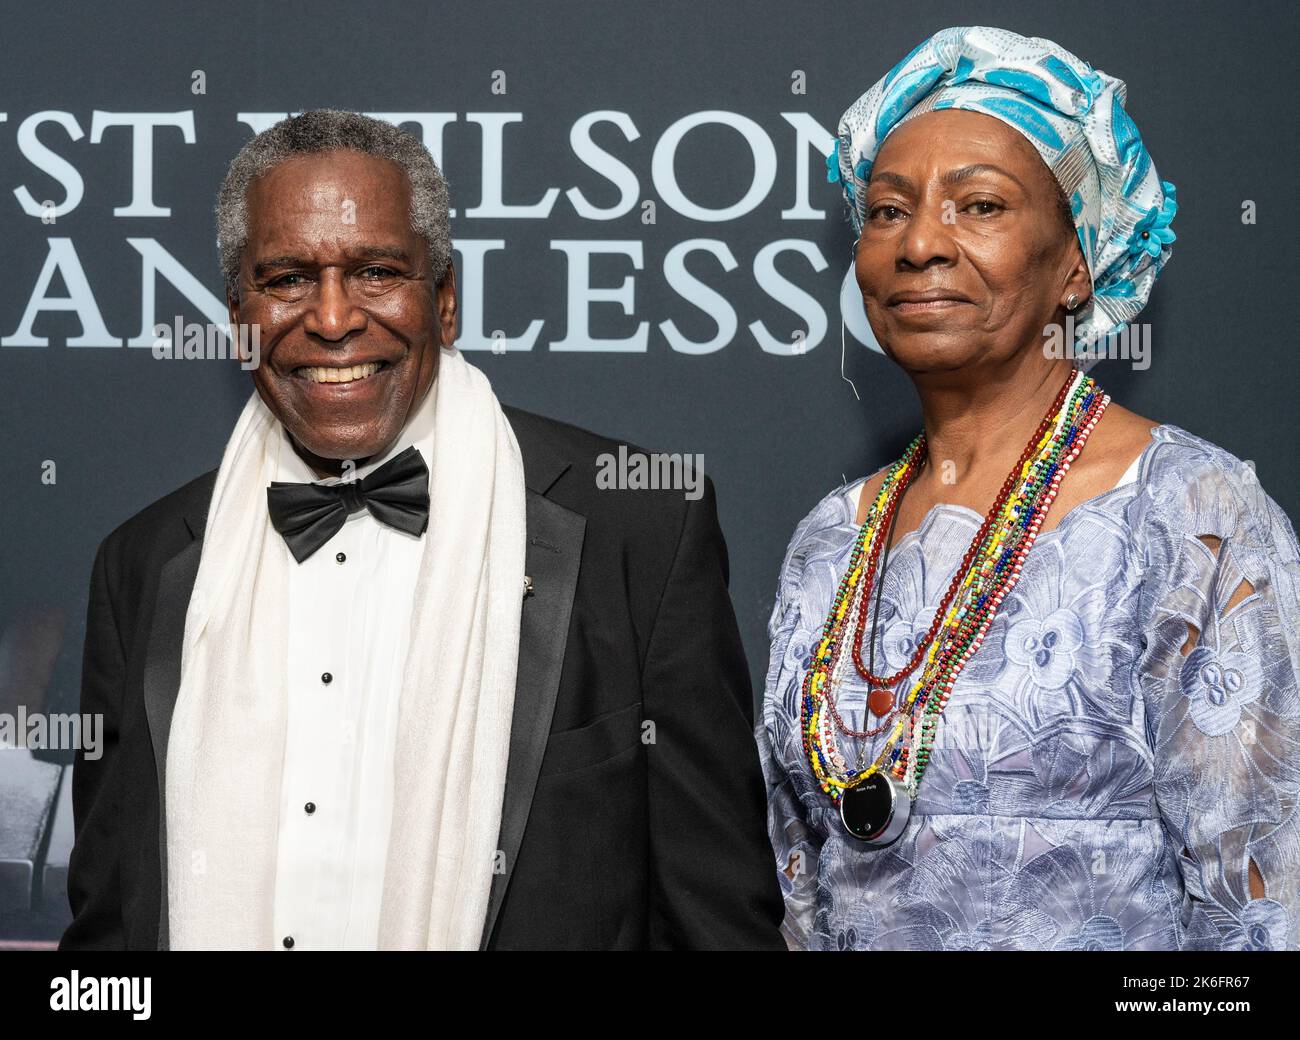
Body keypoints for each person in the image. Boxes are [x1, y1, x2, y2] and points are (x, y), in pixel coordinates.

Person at [61, 109, 784, 951]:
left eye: (374, 272)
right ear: (237, 317)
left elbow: (718, 922)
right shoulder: (144, 565)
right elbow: (110, 934)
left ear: (444, 300)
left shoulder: (642, 530)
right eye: (288, 278)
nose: (332, 321)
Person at [758, 26, 1300, 950]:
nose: (921, 241)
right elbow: (805, 894)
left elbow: (1256, 923)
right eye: (887, 210)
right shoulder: (829, 541)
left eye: (979, 205)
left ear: (1078, 264)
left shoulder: (1190, 515)